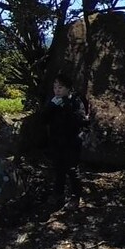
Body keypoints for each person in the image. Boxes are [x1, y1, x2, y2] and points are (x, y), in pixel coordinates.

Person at [39, 74, 86, 207]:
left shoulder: (75, 101)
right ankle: (58, 194)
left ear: (68, 88)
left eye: (60, 87)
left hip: (72, 141)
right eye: (55, 87)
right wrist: (51, 106)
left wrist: (67, 107)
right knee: (58, 168)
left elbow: (80, 120)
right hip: (56, 140)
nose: (57, 90)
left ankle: (76, 196)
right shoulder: (53, 101)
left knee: (72, 169)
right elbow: (43, 119)